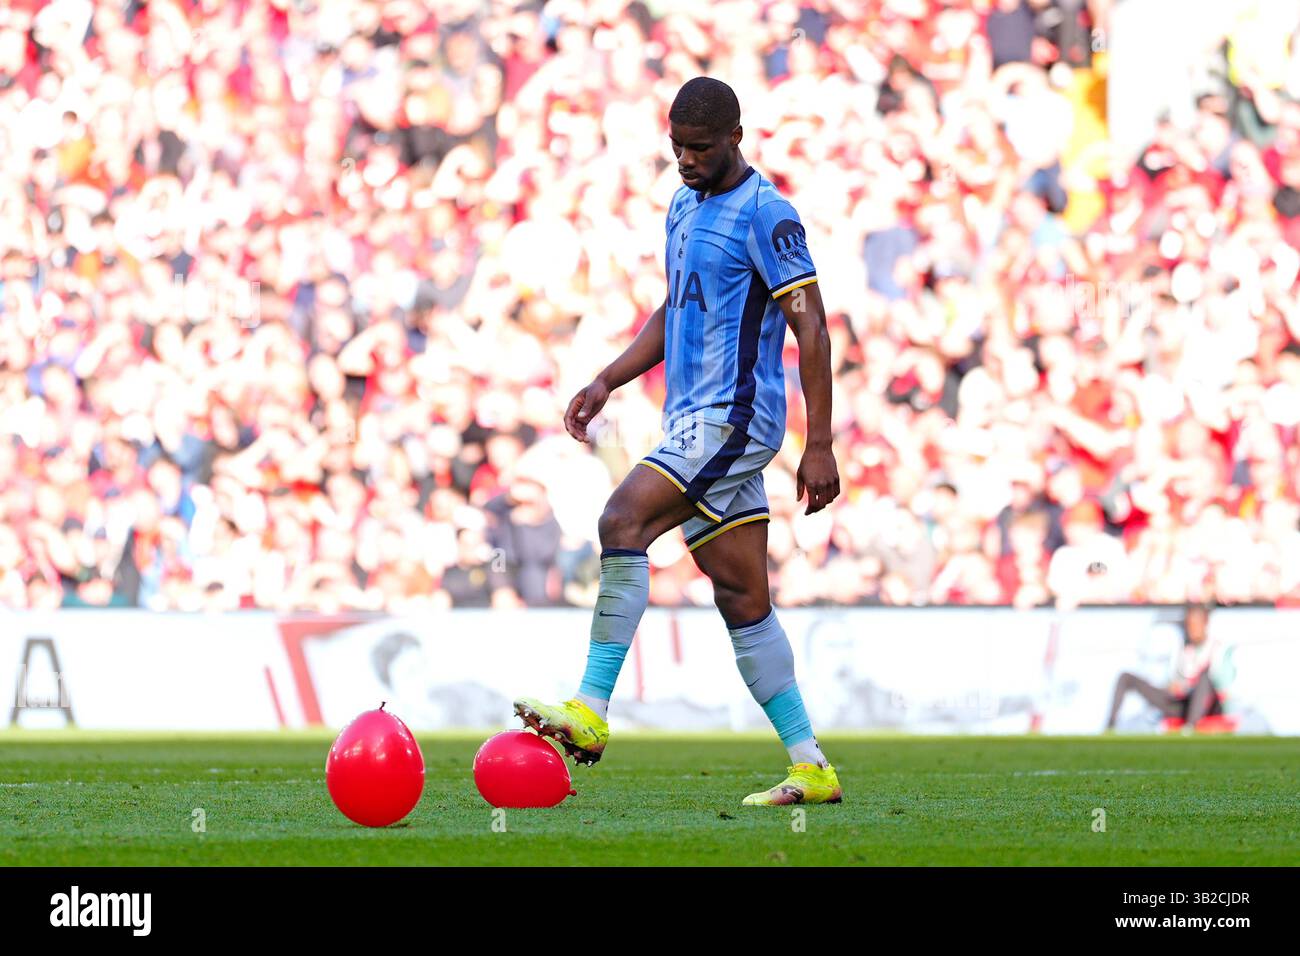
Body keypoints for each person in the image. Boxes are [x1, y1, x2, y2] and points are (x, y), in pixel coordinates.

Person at [514, 77, 843, 806]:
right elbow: (677, 306)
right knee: (741, 594)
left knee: (620, 519)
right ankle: (810, 764)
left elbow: (811, 325)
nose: (687, 161)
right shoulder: (683, 206)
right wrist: (608, 377)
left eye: (699, 149)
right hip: (691, 420)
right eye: (677, 148)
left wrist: (818, 443)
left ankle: (592, 711)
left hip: (733, 418)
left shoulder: (767, 214)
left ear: (736, 139)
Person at [1104, 603, 1224, 731]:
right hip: (1181, 704)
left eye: (1195, 624)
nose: (1192, 629)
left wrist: (1192, 686)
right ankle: (1110, 726)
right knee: (1125, 677)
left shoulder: (1218, 648)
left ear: (1205, 623)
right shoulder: (1182, 649)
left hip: (1208, 705)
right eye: (1189, 625)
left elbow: (1222, 685)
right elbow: (1173, 680)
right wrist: (1174, 686)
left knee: (1204, 678)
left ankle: (1190, 728)